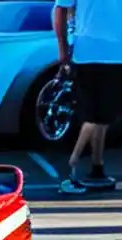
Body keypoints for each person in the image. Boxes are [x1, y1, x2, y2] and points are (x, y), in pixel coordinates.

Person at [54, 0, 120, 193]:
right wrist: (63, 48)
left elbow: (60, 11)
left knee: (99, 115)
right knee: (98, 116)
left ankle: (97, 167)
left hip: (89, 53)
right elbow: (60, 10)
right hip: (112, 54)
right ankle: (71, 167)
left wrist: (63, 49)